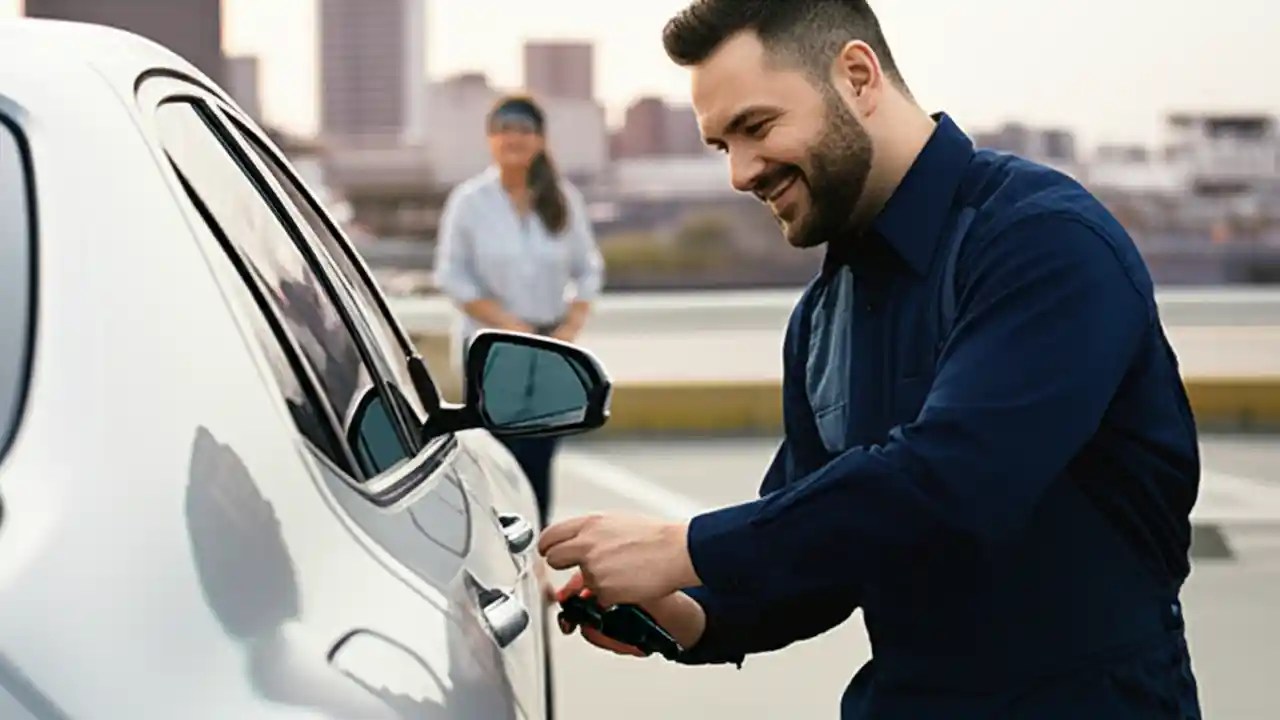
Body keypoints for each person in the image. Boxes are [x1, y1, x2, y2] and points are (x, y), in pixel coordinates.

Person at [537, 1, 1203, 717]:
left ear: (857, 76)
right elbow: (819, 548)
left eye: (756, 128)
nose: (739, 172)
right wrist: (684, 614)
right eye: (719, 145)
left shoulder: (1043, 241)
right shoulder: (821, 317)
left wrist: (684, 546)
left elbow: (954, 480)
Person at [433, 94, 605, 531]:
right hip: (494, 349)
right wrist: (508, 323)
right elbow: (452, 276)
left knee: (539, 460)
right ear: (490, 139)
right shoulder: (469, 201)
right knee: (495, 460)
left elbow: (588, 268)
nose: (515, 138)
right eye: (505, 129)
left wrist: (570, 326)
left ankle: (538, 561)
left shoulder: (563, 199)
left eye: (525, 130)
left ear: (541, 140)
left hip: (548, 349)